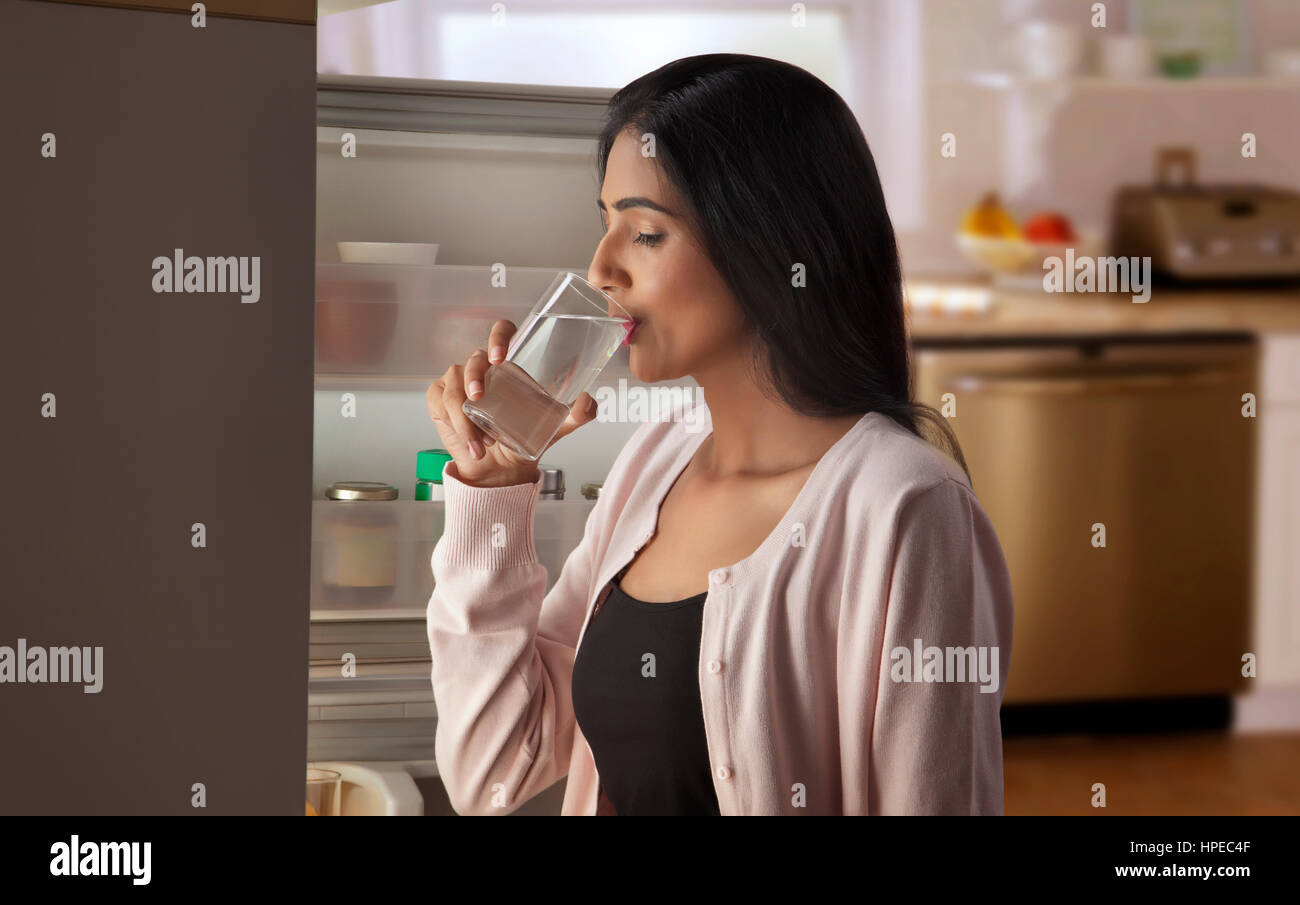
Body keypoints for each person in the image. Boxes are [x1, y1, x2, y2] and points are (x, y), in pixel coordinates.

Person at [424, 53, 1013, 815]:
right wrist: (492, 494)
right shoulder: (654, 464)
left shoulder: (906, 506)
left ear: (768, 241)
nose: (601, 268)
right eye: (603, 225)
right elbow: (493, 769)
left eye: (645, 232)